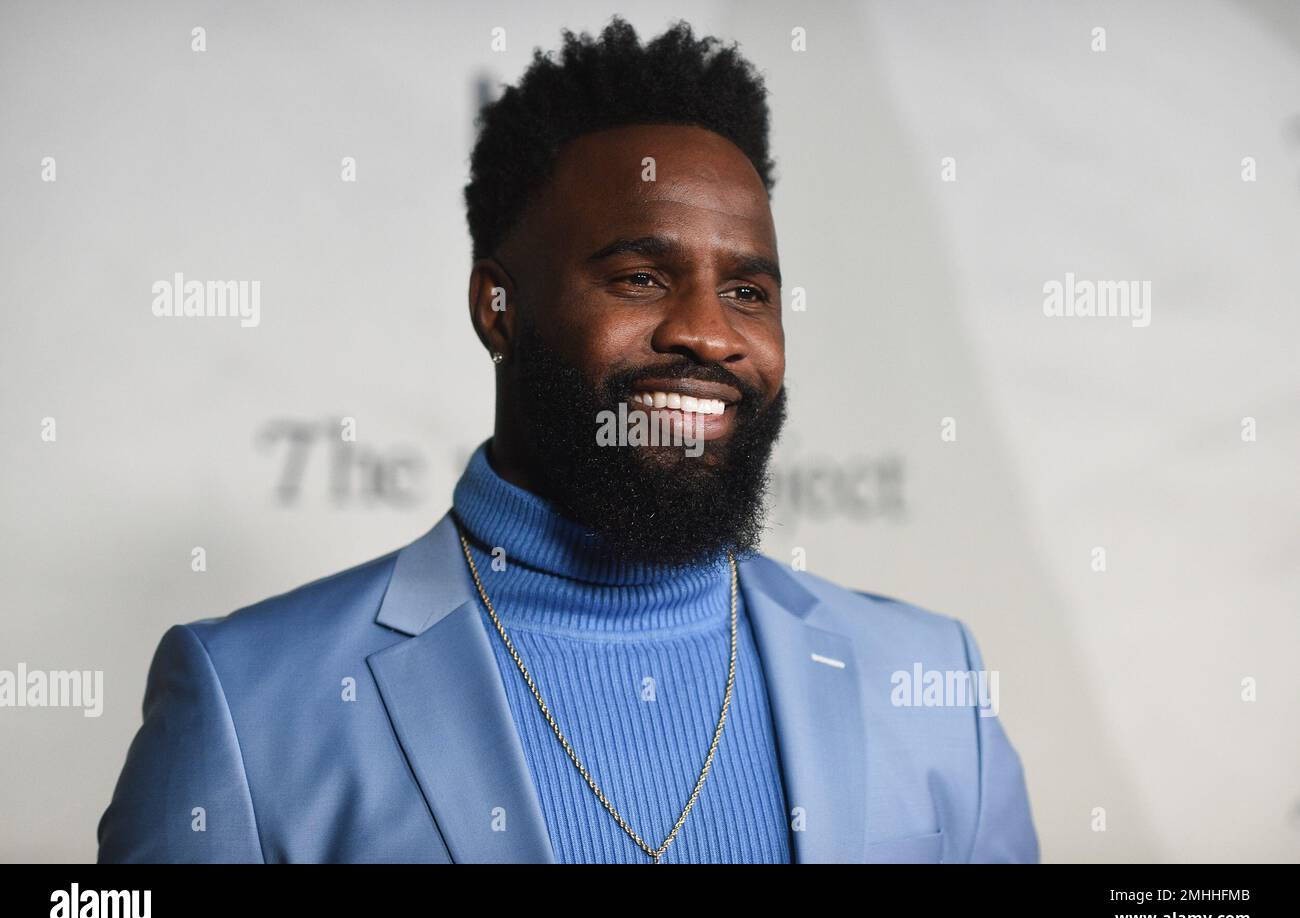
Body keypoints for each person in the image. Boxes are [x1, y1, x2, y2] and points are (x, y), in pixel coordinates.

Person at [98, 16, 1038, 864]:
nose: (710, 333)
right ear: (497, 309)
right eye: (639, 277)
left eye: (749, 292)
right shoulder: (248, 703)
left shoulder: (930, 682)